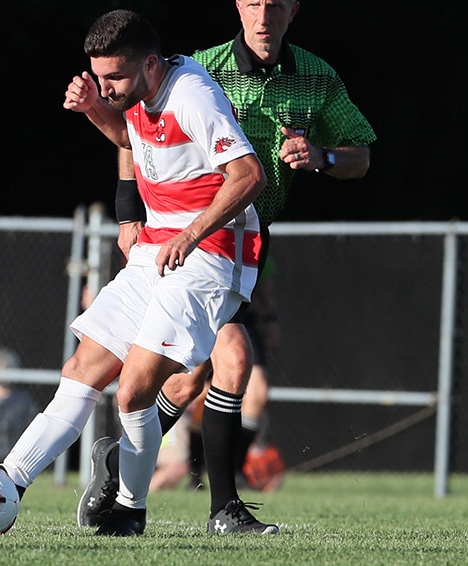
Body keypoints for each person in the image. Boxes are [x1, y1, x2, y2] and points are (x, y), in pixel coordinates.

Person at [0, 9, 266, 537]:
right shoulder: (132, 95)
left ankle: (131, 510)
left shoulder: (191, 95)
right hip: (158, 249)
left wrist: (190, 233)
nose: (106, 87)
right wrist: (94, 109)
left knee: (133, 391)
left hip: (210, 255)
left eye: (114, 78)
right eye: (98, 77)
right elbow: (133, 142)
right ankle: (8, 483)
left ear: (151, 64)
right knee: (83, 368)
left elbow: (250, 175)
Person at [78, 0, 376, 534]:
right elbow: (134, 130)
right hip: (194, 240)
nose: (264, 17)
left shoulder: (316, 77)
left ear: (293, 10)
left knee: (195, 379)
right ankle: (222, 511)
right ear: (238, 7)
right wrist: (128, 213)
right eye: (253, 3)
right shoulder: (199, 68)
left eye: (275, 5)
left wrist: (324, 157)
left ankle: (122, 466)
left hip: (249, 241)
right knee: (233, 363)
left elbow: (361, 155)